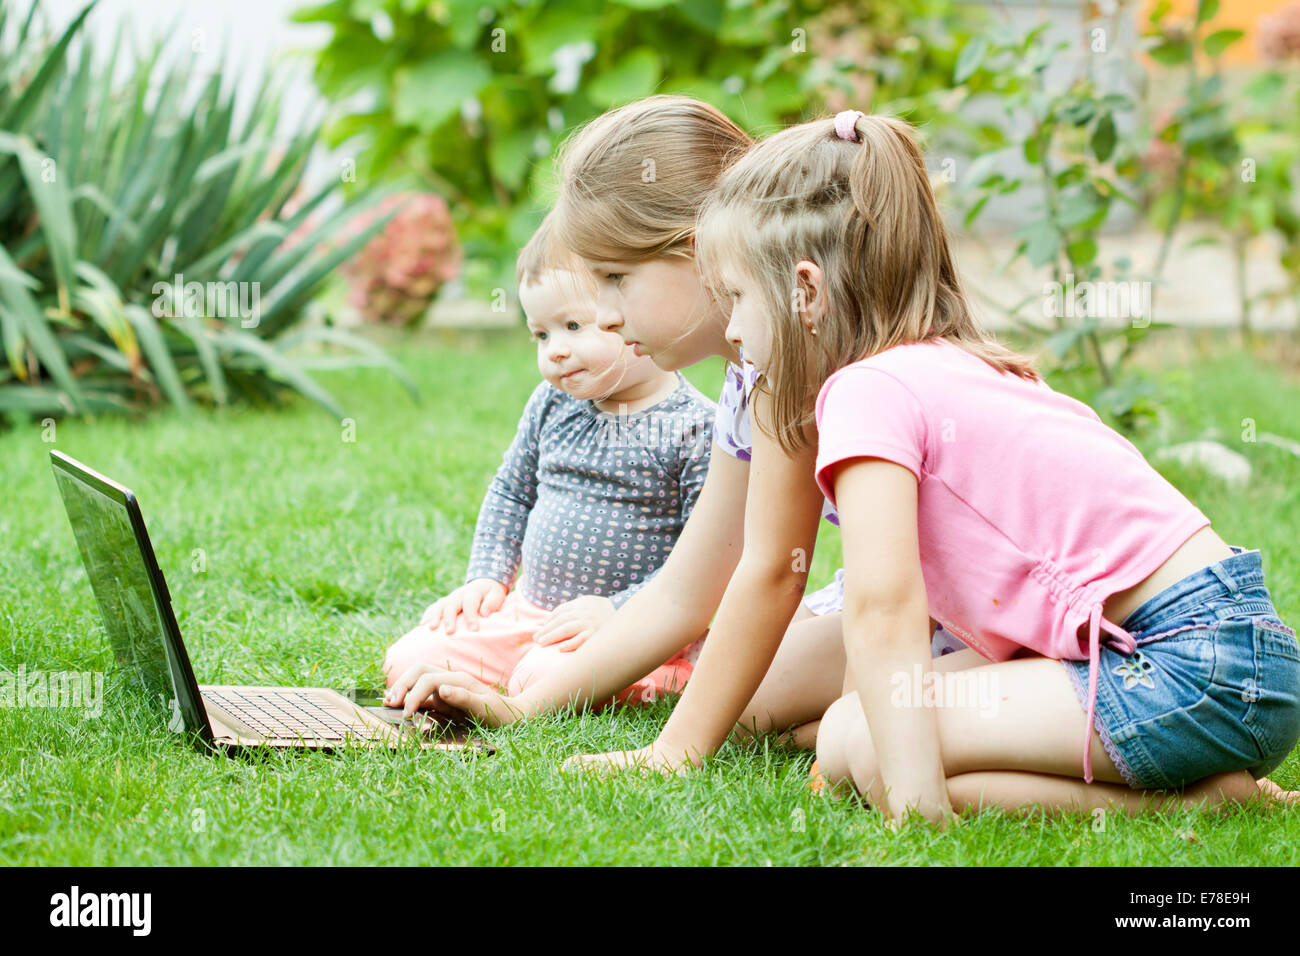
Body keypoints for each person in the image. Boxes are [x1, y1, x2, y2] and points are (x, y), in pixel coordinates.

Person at [572, 107, 1300, 822]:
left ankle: (1205, 802)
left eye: (736, 298)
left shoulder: (863, 392)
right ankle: (1199, 784)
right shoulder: (951, 365)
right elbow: (899, 620)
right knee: (848, 736)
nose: (729, 326)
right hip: (1232, 655)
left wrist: (906, 791)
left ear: (806, 293)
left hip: (1180, 669)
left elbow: (884, 608)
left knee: (860, 740)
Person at [387, 95, 972, 740]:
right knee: (749, 709)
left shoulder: (805, 368)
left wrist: (679, 750)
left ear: (696, 253)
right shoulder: (750, 381)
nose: (604, 314)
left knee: (808, 728)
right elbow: (685, 591)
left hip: (966, 618)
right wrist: (527, 709)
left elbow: (777, 569)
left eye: (615, 277)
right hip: (916, 612)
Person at [382, 214, 715, 706]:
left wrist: (619, 610)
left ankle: (660, 678)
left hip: (628, 629)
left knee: (539, 678)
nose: (556, 351)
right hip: (530, 615)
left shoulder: (693, 427)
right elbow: (511, 492)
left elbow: (703, 557)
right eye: (541, 335)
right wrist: (488, 577)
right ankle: (509, 672)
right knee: (412, 656)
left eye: (574, 326)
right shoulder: (552, 403)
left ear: (627, 312)